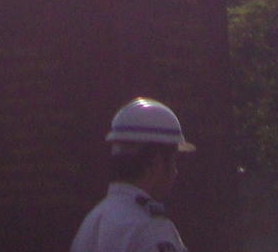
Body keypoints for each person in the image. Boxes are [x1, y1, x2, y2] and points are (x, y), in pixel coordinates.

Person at [70, 98, 194, 252]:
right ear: (156, 164)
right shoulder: (148, 229)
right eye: (174, 162)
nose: (176, 172)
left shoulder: (93, 221)